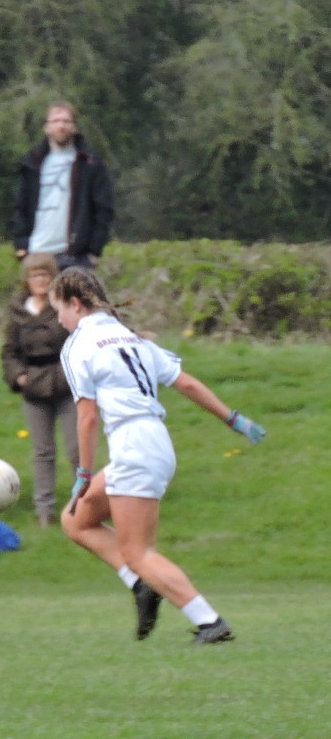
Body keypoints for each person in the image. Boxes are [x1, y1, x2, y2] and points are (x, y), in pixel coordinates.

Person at [51, 267, 266, 644]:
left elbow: (86, 417)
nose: (59, 320)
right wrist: (233, 418)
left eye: (59, 310)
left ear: (75, 304)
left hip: (135, 447)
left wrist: (84, 473)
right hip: (155, 444)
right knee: (76, 521)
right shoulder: (131, 338)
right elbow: (186, 382)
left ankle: (209, 621)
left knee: (138, 551)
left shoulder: (78, 345)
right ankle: (141, 585)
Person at [1, 253, 79, 527]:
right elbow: (9, 352)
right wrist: (19, 376)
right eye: (35, 275)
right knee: (43, 451)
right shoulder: (18, 312)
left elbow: (82, 341)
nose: (41, 280)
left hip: (68, 383)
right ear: (27, 279)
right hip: (34, 384)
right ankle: (44, 510)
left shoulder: (67, 306)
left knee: (77, 448)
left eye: (45, 274)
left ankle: (86, 503)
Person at [12, 102, 115, 270]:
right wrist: (21, 246)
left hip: (76, 255)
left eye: (66, 121)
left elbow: (103, 209)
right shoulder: (32, 163)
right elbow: (20, 207)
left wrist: (94, 250)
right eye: (56, 121)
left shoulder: (91, 163)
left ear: (75, 127)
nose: (61, 126)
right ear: (46, 127)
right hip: (37, 253)